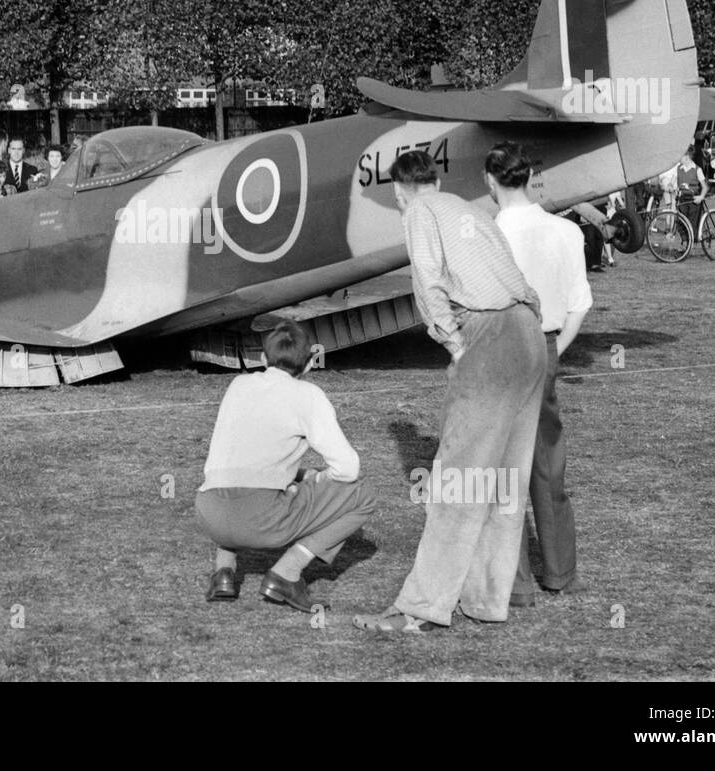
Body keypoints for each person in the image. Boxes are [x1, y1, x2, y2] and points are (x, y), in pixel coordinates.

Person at [353, 150, 544, 634]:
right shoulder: (472, 208)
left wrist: (453, 343)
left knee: (456, 482)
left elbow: (429, 280)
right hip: (529, 334)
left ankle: (420, 609)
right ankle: (484, 600)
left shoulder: (419, 212)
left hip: (489, 338)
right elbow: (519, 281)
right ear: (434, 180)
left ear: (399, 191)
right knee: (504, 480)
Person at [195, 319, 378, 611]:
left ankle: (223, 572)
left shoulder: (238, 384)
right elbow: (348, 468)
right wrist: (315, 479)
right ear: (308, 365)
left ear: (264, 359)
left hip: (209, 512)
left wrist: (298, 475)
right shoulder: (308, 395)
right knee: (363, 495)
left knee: (237, 478)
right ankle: (287, 573)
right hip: (259, 518)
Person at [485, 143, 591, 607]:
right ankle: (560, 572)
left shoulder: (485, 235)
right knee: (548, 464)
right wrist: (553, 351)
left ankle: (515, 582)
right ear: (529, 178)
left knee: (503, 466)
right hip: (545, 344)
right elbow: (579, 303)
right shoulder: (566, 231)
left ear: (491, 181)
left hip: (501, 346)